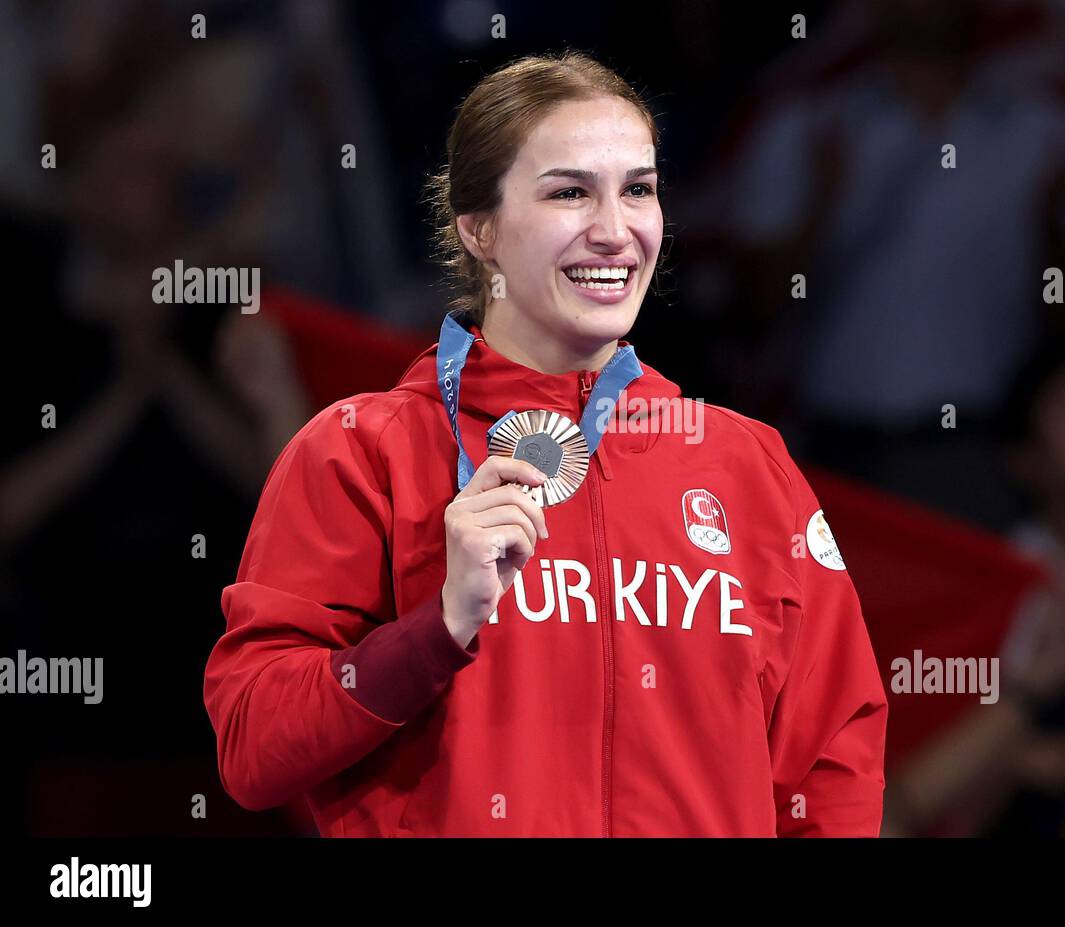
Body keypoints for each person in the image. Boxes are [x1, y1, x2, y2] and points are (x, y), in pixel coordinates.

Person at [203, 50, 888, 837]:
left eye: (638, 190)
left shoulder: (745, 466)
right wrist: (436, 627)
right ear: (480, 228)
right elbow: (255, 746)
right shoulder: (362, 452)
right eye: (569, 192)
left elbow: (832, 763)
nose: (614, 230)